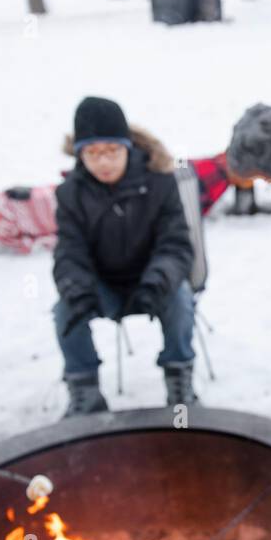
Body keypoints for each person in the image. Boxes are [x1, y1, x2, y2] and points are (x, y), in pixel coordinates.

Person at [52, 96, 197, 414]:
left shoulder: (160, 182)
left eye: (111, 151)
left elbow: (175, 245)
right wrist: (77, 287)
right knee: (65, 308)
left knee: (181, 298)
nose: (103, 162)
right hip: (102, 286)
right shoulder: (70, 194)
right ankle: (85, 390)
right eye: (92, 153)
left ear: (127, 147)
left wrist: (157, 282)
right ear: (80, 154)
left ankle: (179, 381)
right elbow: (69, 251)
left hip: (152, 281)